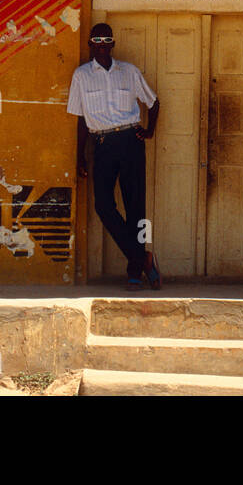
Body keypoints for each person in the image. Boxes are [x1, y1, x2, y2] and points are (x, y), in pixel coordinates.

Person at [67, 22, 162, 290]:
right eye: (96, 40)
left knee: (136, 207)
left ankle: (134, 272)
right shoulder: (81, 76)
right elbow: (81, 120)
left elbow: (153, 102)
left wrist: (150, 131)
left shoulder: (129, 72)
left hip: (131, 142)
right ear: (90, 45)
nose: (101, 45)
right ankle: (142, 257)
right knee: (104, 207)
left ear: (112, 44)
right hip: (102, 144)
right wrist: (80, 157)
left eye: (106, 40)